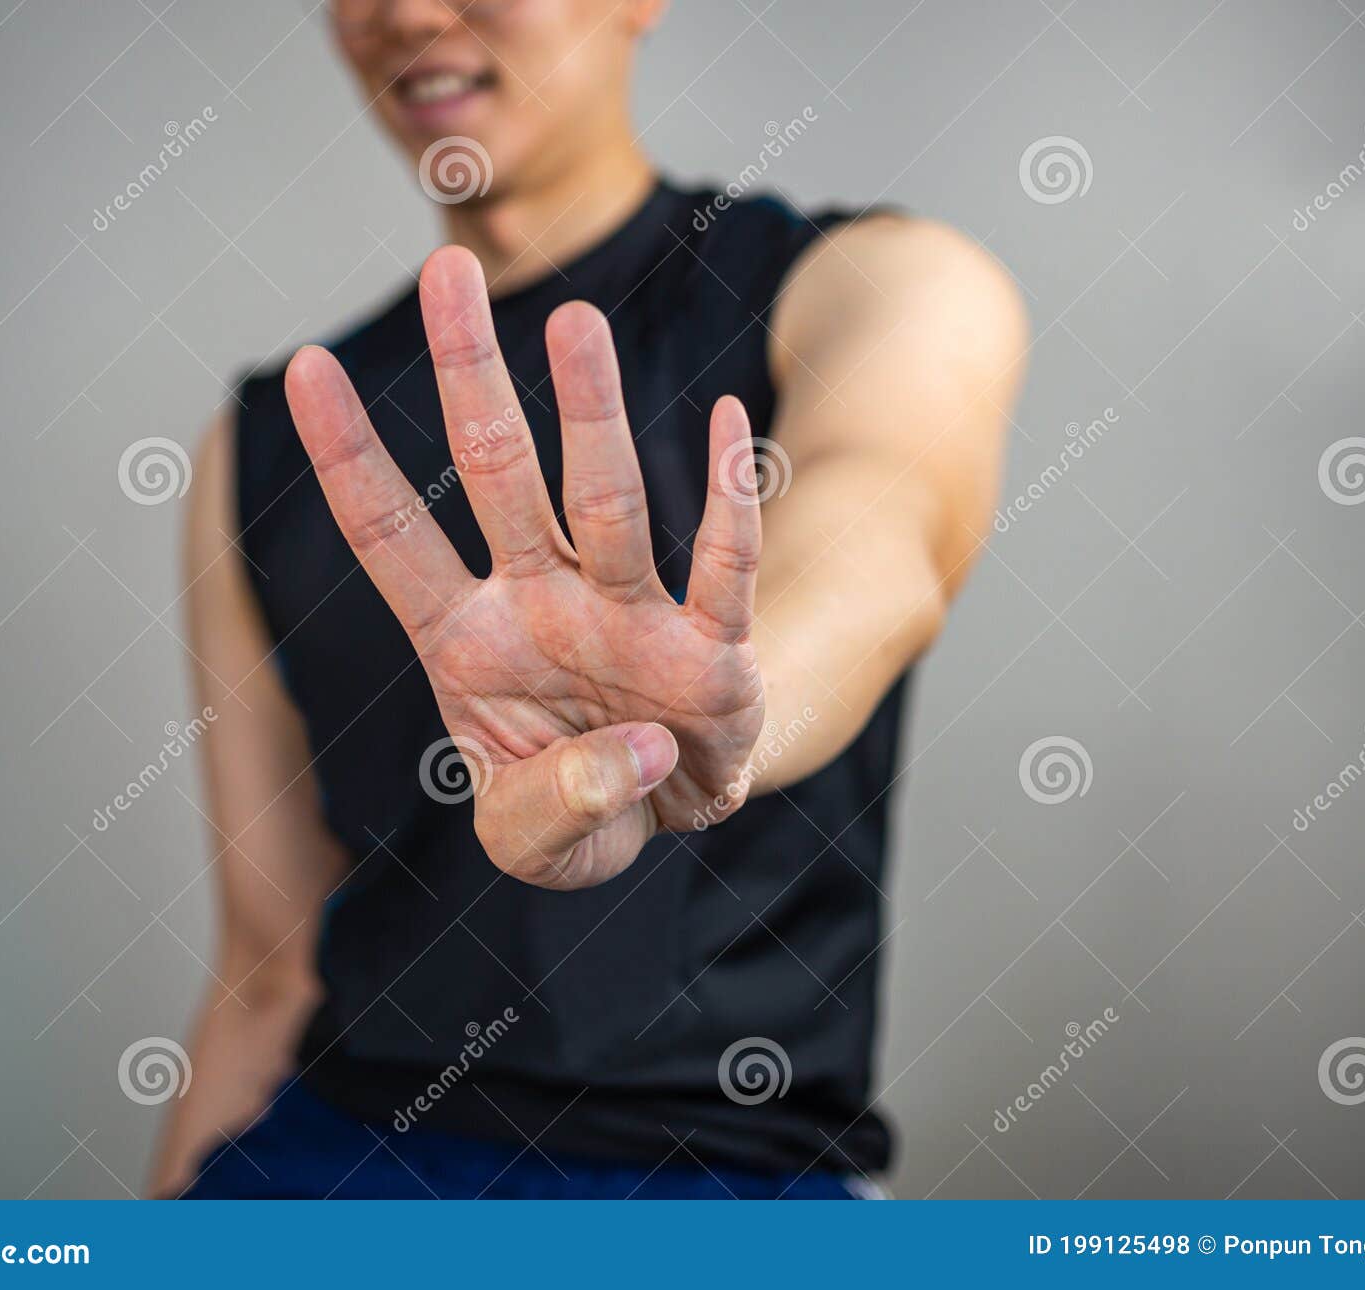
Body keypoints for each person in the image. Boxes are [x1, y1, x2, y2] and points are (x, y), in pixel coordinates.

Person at [153, 0, 1026, 1199]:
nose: (406, 13)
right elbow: (267, 966)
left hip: (714, 1184)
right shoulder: (270, 443)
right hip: (327, 1162)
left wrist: (710, 718)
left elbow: (885, 541)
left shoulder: (878, 286)